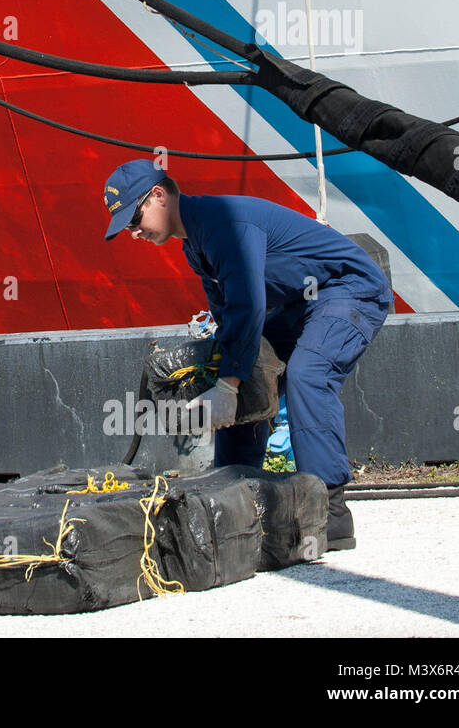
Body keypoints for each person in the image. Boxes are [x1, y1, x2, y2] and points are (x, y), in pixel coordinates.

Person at [101, 158, 392, 550]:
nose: (134, 233)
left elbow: (249, 305)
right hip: (303, 304)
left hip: (349, 289)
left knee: (307, 374)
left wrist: (226, 385)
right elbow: (228, 319)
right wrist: (226, 375)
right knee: (252, 377)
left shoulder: (223, 225)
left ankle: (330, 512)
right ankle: (236, 499)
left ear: (158, 195)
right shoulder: (196, 245)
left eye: (134, 220)